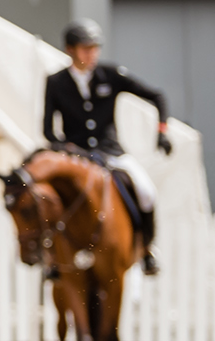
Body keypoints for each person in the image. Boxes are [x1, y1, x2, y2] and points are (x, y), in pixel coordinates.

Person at [43, 19, 171, 275]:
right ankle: (53, 258)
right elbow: (47, 130)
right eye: (85, 48)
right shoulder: (56, 82)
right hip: (76, 156)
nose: (92, 54)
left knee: (147, 191)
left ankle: (146, 249)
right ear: (71, 49)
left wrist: (162, 132)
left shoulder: (111, 75)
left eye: (95, 48)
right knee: (50, 197)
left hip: (111, 152)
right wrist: (65, 148)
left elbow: (157, 96)